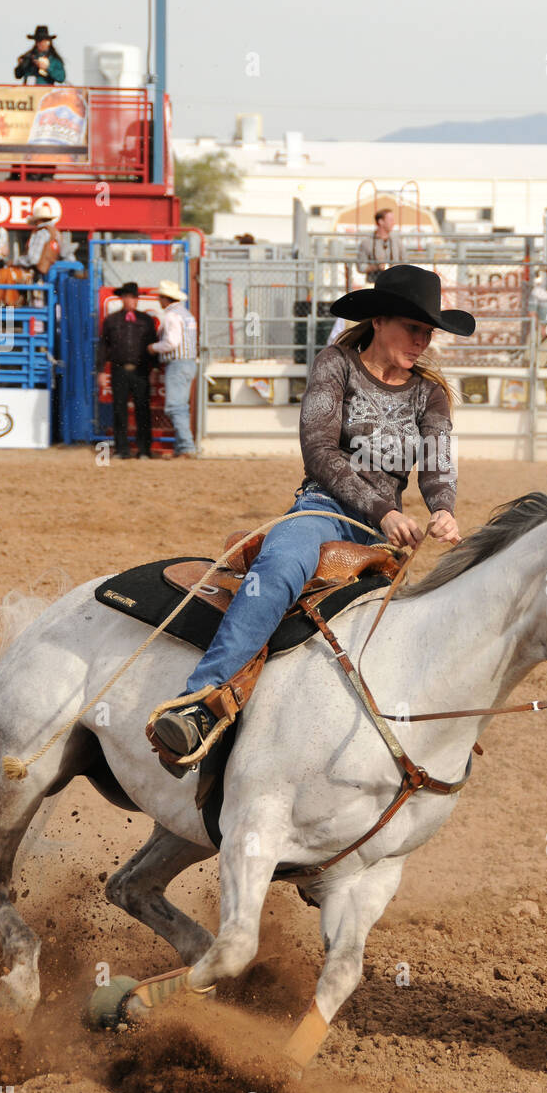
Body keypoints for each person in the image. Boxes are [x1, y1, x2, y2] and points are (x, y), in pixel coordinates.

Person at [150, 263, 476, 768]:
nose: (423, 341)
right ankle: (201, 702)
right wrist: (385, 509)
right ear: (379, 321)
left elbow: (437, 461)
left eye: (428, 332)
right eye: (414, 328)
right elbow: (321, 451)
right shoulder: (336, 364)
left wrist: (444, 509)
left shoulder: (429, 391)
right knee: (280, 569)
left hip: (385, 531)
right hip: (324, 508)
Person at [96, 282, 157, 459]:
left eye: (134, 297)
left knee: (142, 409)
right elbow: (104, 347)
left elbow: (152, 344)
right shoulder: (112, 320)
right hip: (119, 369)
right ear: (122, 299)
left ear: (137, 300)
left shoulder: (146, 320)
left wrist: (154, 369)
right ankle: (122, 449)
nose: (131, 300)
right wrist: (101, 371)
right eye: (128, 297)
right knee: (119, 409)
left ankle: (144, 449)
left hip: (141, 370)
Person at [147, 280, 199, 458]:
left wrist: (153, 347)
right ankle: (182, 447)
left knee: (175, 406)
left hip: (177, 363)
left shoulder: (171, 316)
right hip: (188, 362)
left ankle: (186, 446)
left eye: (160, 297)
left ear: (164, 299)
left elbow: (171, 343)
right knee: (181, 406)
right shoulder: (186, 314)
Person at [357, 209, 403, 282]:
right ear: (381, 222)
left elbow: (405, 262)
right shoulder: (367, 242)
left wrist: (396, 268)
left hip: (395, 283)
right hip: (374, 283)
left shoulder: (397, 241)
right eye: (390, 220)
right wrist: (376, 267)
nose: (393, 223)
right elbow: (361, 267)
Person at [19, 207, 60, 281]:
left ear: (38, 220)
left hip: (37, 273)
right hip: (51, 273)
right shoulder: (56, 233)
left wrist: (17, 261)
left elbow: (33, 259)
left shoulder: (41, 233)